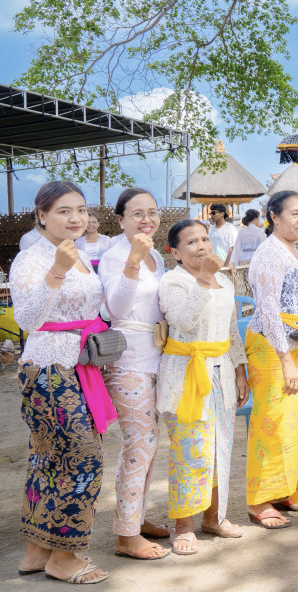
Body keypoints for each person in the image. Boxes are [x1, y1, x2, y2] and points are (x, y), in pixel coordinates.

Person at [11, 181, 110, 584]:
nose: (76, 218)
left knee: (49, 457)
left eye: (81, 210)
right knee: (82, 458)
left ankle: (38, 551)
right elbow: (28, 320)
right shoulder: (31, 260)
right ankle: (65, 557)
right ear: (42, 215)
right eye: (64, 211)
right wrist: (57, 271)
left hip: (79, 365)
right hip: (48, 370)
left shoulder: (83, 255)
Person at [158, 220, 249, 554]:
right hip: (185, 376)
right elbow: (183, 320)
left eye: (205, 239)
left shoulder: (224, 281)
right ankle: (183, 525)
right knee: (189, 450)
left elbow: (231, 331)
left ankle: (214, 516)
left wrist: (240, 371)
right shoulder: (173, 281)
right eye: (191, 241)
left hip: (222, 372)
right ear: (176, 252)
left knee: (219, 448)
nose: (201, 245)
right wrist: (205, 279)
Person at [98, 188, 171, 560]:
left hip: (158, 356)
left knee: (150, 442)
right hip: (127, 358)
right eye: (137, 213)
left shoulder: (156, 254)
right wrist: (132, 260)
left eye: (152, 212)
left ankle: (135, 518)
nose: (147, 219)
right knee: (139, 443)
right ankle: (125, 535)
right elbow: (116, 308)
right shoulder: (114, 255)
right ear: (121, 218)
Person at [245, 190, 298, 529]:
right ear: (274, 216)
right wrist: (285, 358)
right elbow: (269, 309)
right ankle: (259, 500)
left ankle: (285, 490)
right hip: (273, 348)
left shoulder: (293, 250)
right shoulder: (270, 253)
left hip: (296, 345)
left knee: (294, 424)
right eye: (295, 214)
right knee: (271, 422)